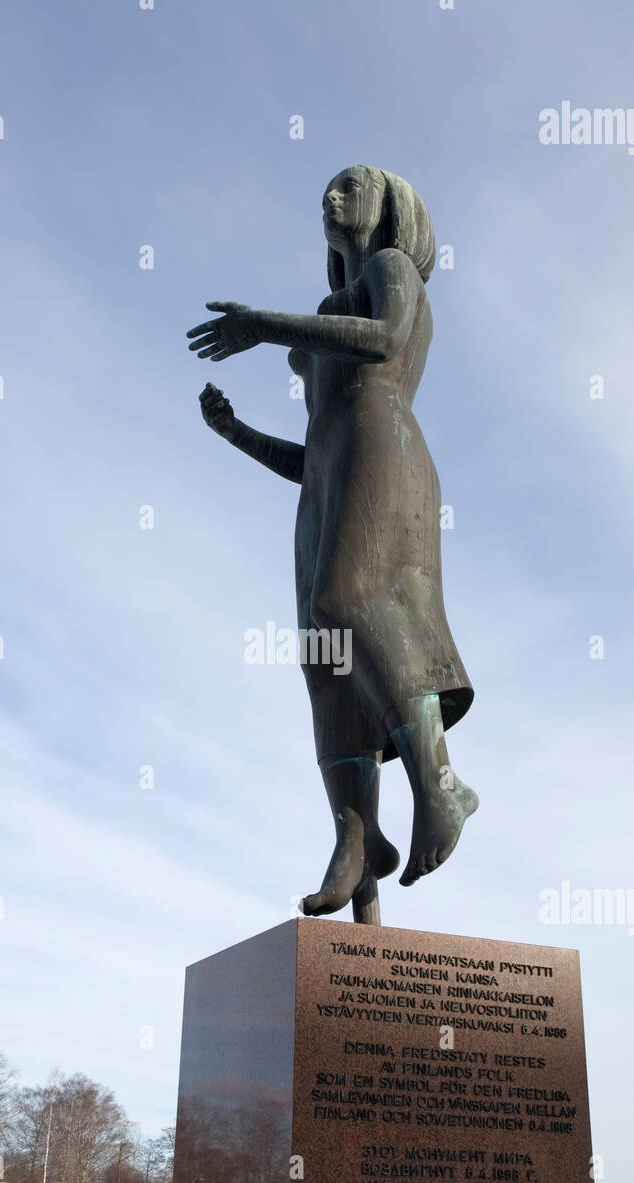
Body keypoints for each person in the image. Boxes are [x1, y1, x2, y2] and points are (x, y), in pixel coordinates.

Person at [188, 166, 477, 922]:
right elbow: (313, 454)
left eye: (350, 187)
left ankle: (440, 785)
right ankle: (357, 841)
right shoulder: (325, 310)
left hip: (383, 452)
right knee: (326, 664)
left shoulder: (392, 268)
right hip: (330, 477)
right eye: (327, 189)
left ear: (391, 208)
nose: (332, 197)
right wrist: (235, 432)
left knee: (345, 601)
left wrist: (263, 326)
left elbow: (383, 340)